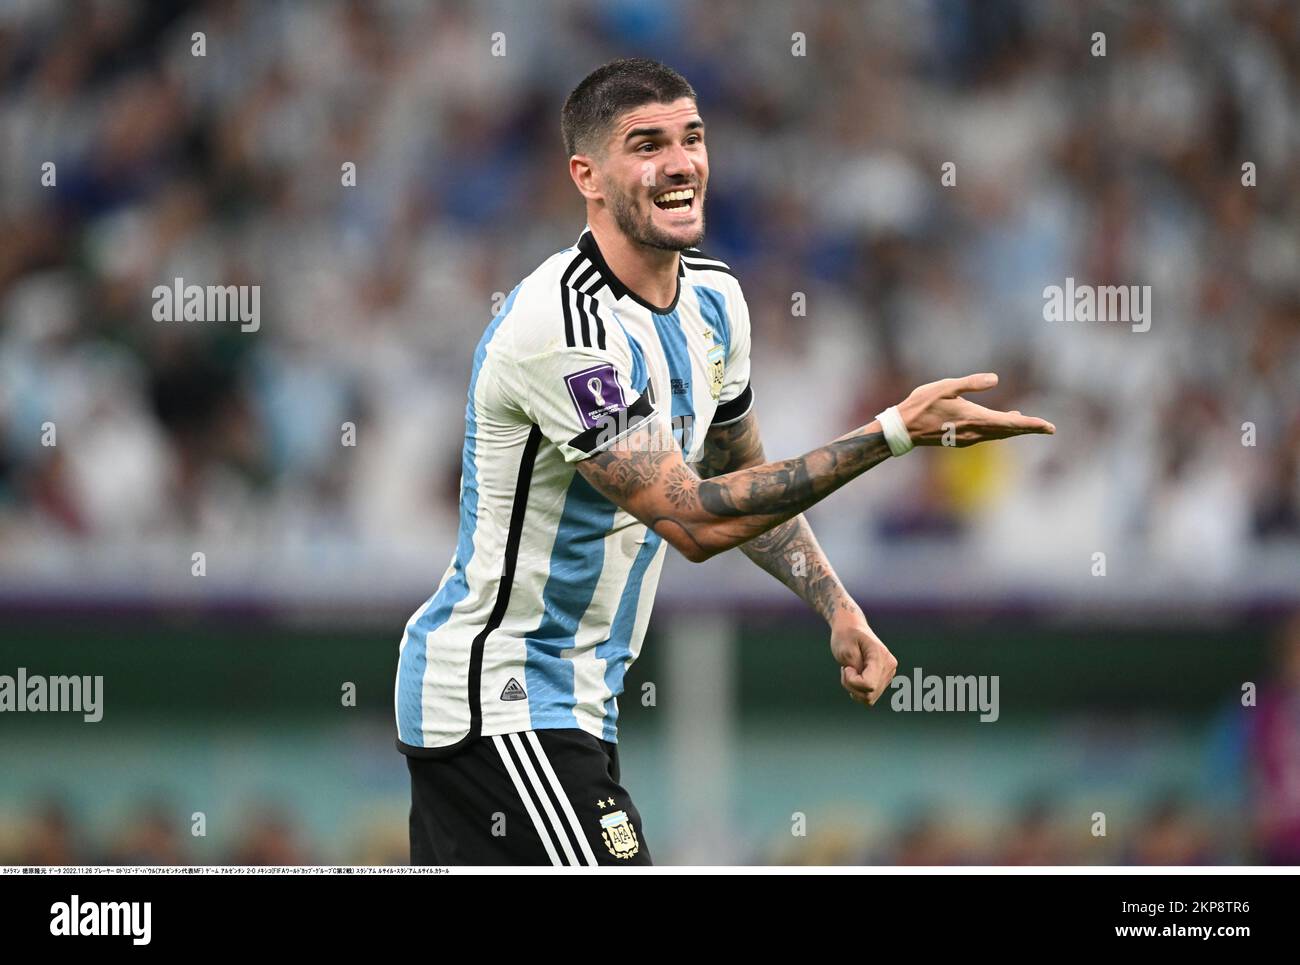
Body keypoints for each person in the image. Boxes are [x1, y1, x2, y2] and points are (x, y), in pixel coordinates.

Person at [394, 57, 1054, 866]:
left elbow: (743, 476)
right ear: (587, 176)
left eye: (692, 138)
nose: (679, 163)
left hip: (572, 707)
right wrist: (892, 434)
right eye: (646, 145)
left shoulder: (715, 302)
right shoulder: (561, 327)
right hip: (503, 697)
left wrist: (836, 604)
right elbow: (694, 517)